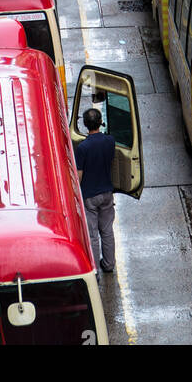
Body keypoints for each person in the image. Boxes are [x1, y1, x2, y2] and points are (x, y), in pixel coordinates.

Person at [74, 107, 116, 275]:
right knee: (107, 231)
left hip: (90, 196)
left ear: (85, 125)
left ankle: (95, 270)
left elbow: (79, 174)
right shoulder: (110, 141)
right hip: (107, 193)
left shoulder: (83, 148)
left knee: (92, 234)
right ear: (100, 122)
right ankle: (109, 264)